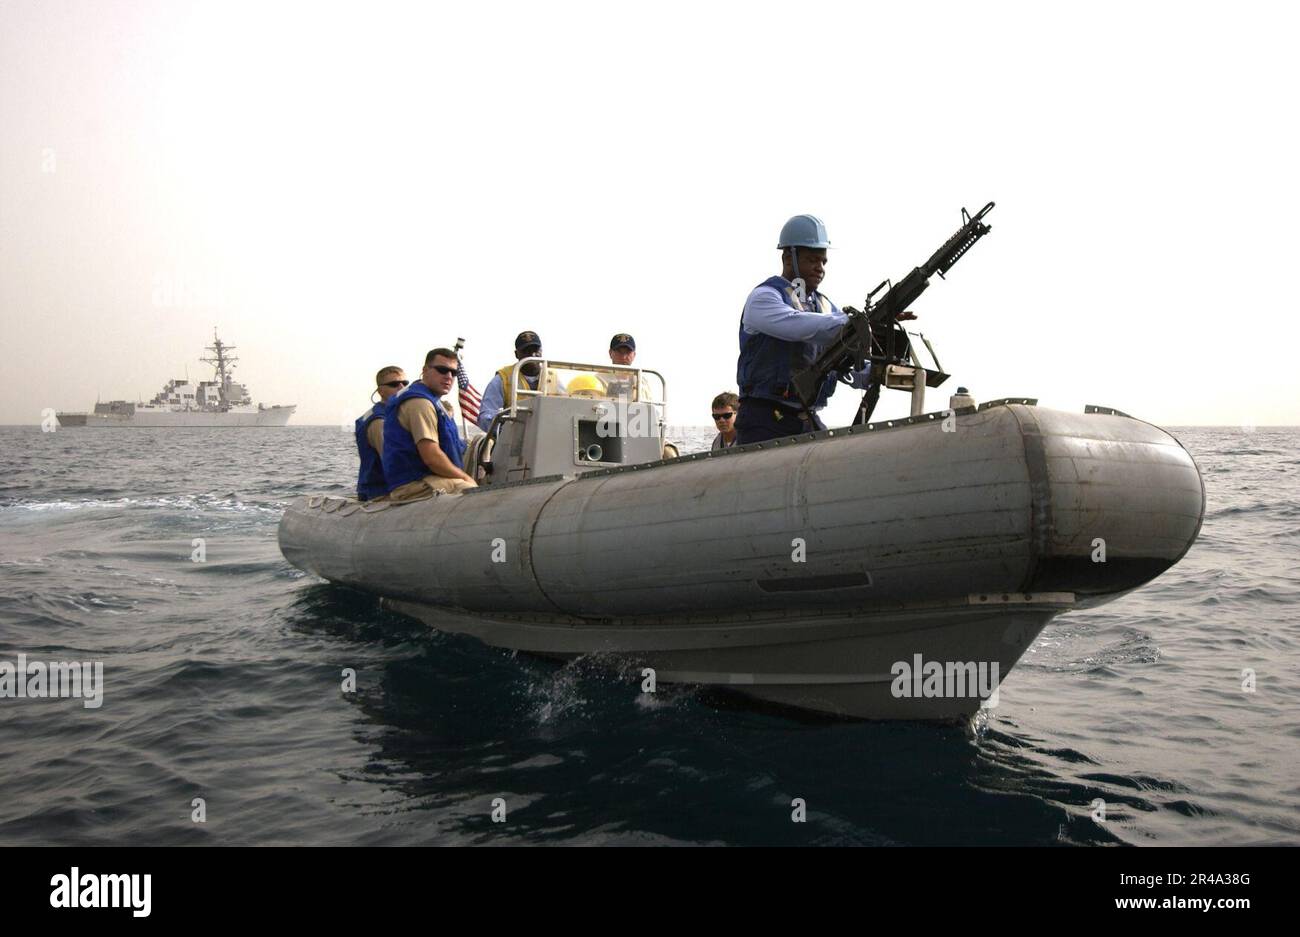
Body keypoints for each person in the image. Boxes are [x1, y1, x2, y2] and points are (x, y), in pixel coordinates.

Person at [735, 214, 875, 444]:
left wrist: (876, 368)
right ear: (788, 259)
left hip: (806, 418)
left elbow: (844, 361)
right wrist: (855, 323)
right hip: (764, 420)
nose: (820, 268)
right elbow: (798, 326)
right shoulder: (764, 298)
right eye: (812, 260)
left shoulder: (825, 307)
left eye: (823, 262)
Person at [382, 348, 477, 500]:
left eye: (454, 373)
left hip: (433, 477)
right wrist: (466, 478)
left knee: (482, 442)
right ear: (425, 370)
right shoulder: (420, 403)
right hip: (413, 484)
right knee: (471, 491)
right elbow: (432, 458)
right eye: (442, 370)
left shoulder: (435, 402)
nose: (449, 377)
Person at [476, 331, 559, 430]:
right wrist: (508, 427)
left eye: (536, 350)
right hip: (512, 441)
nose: (532, 354)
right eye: (526, 351)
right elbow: (485, 418)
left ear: (541, 351)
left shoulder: (553, 378)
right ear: (516, 354)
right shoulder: (503, 379)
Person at [354, 366, 407, 500]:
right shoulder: (379, 422)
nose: (401, 387)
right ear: (381, 391)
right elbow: (391, 461)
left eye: (405, 383)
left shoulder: (391, 415)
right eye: (394, 384)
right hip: (379, 492)